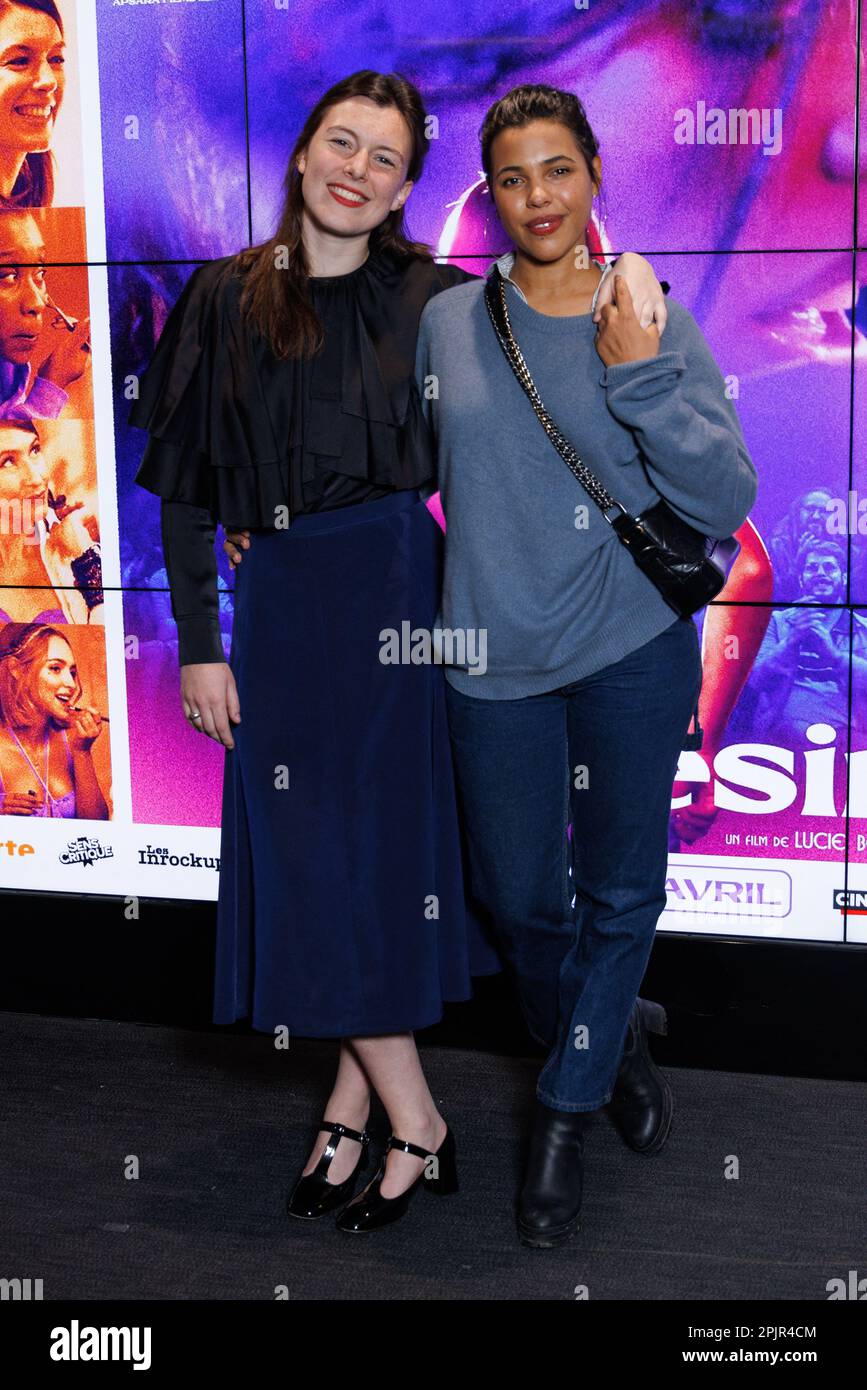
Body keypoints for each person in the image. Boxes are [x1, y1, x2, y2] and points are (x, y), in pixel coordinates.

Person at [133, 69, 667, 1236]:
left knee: (370, 870)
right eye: (341, 142)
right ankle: (394, 1107)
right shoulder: (226, 297)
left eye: (384, 157)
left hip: (398, 601)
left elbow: (528, 439)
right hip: (275, 611)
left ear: (407, 188)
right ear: (302, 152)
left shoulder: (438, 300)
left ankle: (380, 1109)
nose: (355, 169)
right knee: (313, 865)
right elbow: (183, 499)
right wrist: (199, 646)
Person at [409, 83, 758, 1247]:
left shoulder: (644, 310)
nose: (536, 196)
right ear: (489, 193)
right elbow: (400, 465)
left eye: (557, 169)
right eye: (511, 177)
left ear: (596, 173)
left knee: (621, 891)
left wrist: (641, 369)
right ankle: (616, 1042)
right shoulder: (450, 323)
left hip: (627, 652)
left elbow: (723, 497)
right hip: (494, 657)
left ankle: (565, 1111)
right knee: (518, 899)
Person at [0, 621, 107, 818]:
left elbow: (97, 828)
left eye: (72, 673)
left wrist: (82, 752)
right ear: (17, 669)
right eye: (56, 668)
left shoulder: (72, 738)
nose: (71, 683)